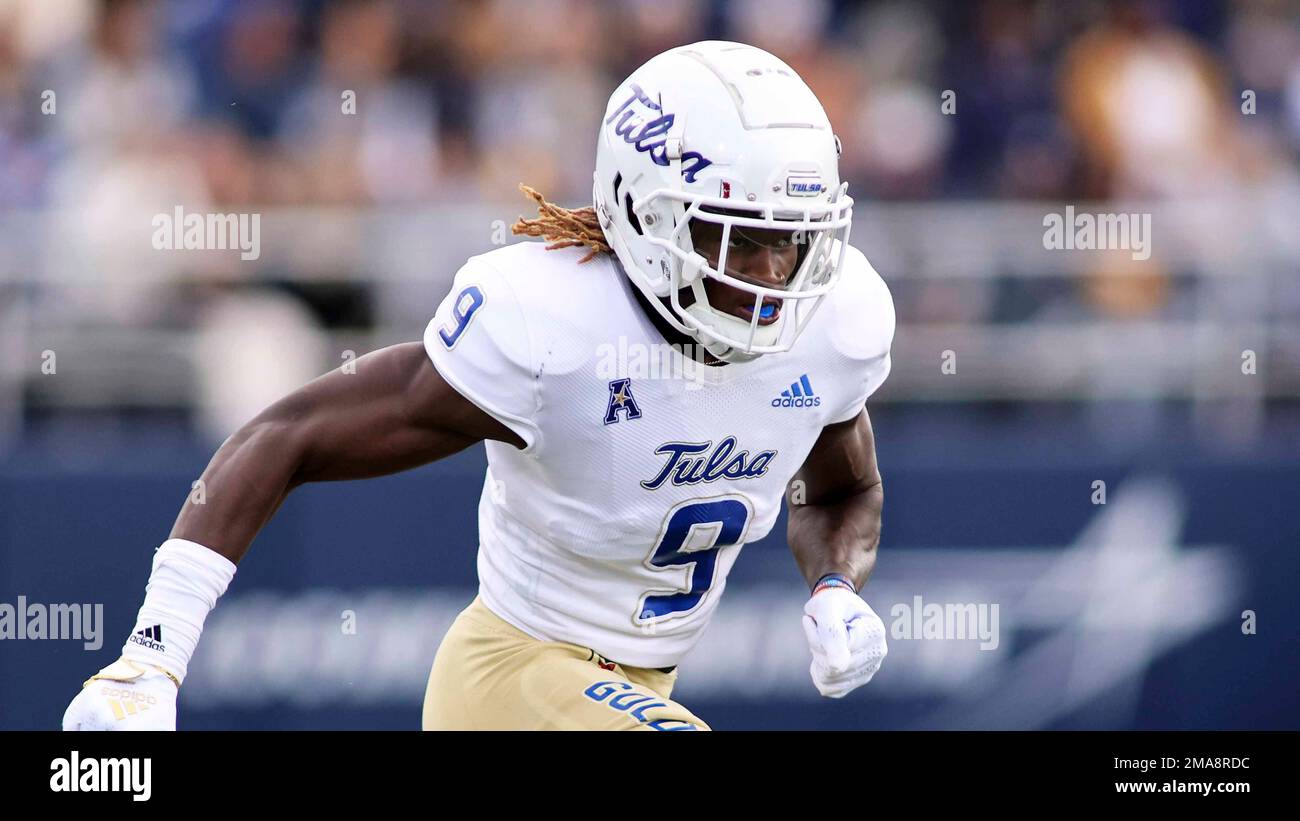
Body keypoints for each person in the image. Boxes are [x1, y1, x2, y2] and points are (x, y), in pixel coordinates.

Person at [62, 40, 895, 731]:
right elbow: (287, 434)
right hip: (512, 678)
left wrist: (833, 587)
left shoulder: (834, 320)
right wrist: (154, 653)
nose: (769, 279)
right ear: (647, 215)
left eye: (790, 244)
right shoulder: (552, 322)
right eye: (736, 241)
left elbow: (842, 488)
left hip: (640, 691)